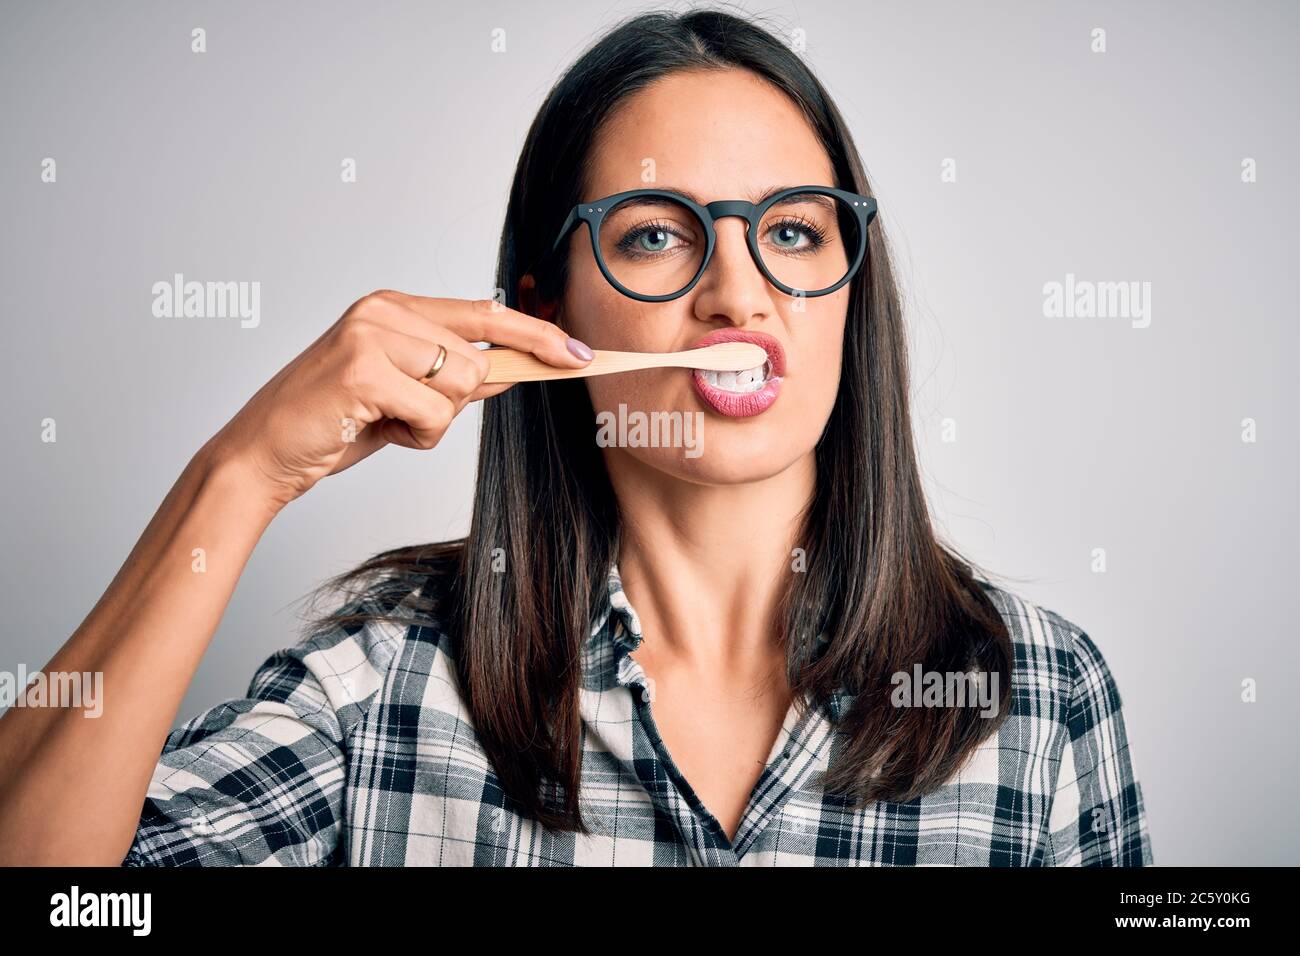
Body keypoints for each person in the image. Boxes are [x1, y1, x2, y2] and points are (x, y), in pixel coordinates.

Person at [0, 8, 1152, 866]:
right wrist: (236, 475)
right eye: (657, 236)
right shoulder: (386, 683)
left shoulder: (1039, 694)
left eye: (794, 230)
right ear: (544, 311)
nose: (739, 295)